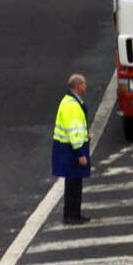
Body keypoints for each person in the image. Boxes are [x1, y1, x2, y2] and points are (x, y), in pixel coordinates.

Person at [52, 73, 91, 225]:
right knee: (73, 185)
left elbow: (76, 129)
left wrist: (86, 136)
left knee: (74, 184)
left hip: (68, 149)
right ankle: (71, 216)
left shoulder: (70, 102)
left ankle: (74, 214)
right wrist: (80, 154)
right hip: (71, 151)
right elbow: (73, 131)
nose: (85, 87)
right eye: (84, 84)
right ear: (78, 86)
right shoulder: (72, 105)